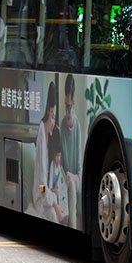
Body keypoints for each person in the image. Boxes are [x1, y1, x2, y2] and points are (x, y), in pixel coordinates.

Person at [30, 80, 58, 221]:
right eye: (52, 117)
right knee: (53, 214)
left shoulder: (49, 139)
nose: (53, 123)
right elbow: (41, 185)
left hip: (45, 195)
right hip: (40, 199)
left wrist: (52, 194)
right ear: (47, 110)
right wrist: (53, 199)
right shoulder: (41, 132)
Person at [60, 74, 81, 229]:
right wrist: (66, 175)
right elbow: (59, 161)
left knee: (73, 186)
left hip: (75, 178)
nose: (67, 110)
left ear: (73, 103)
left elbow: (79, 167)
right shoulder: (62, 125)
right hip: (63, 176)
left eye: (69, 106)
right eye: (65, 106)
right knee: (69, 185)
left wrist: (73, 176)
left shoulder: (78, 125)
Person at [47, 127, 68, 224]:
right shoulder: (50, 165)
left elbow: (58, 184)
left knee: (62, 195)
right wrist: (52, 190)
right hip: (48, 192)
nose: (58, 159)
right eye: (56, 156)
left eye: (59, 156)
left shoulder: (59, 168)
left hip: (54, 192)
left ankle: (64, 215)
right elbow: (43, 188)